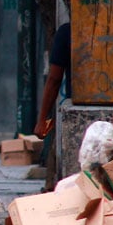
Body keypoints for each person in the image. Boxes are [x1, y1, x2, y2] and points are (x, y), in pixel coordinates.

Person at [33, 23, 71, 192]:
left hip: (75, 107)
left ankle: (52, 188)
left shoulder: (67, 32)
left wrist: (42, 120)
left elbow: (54, 79)